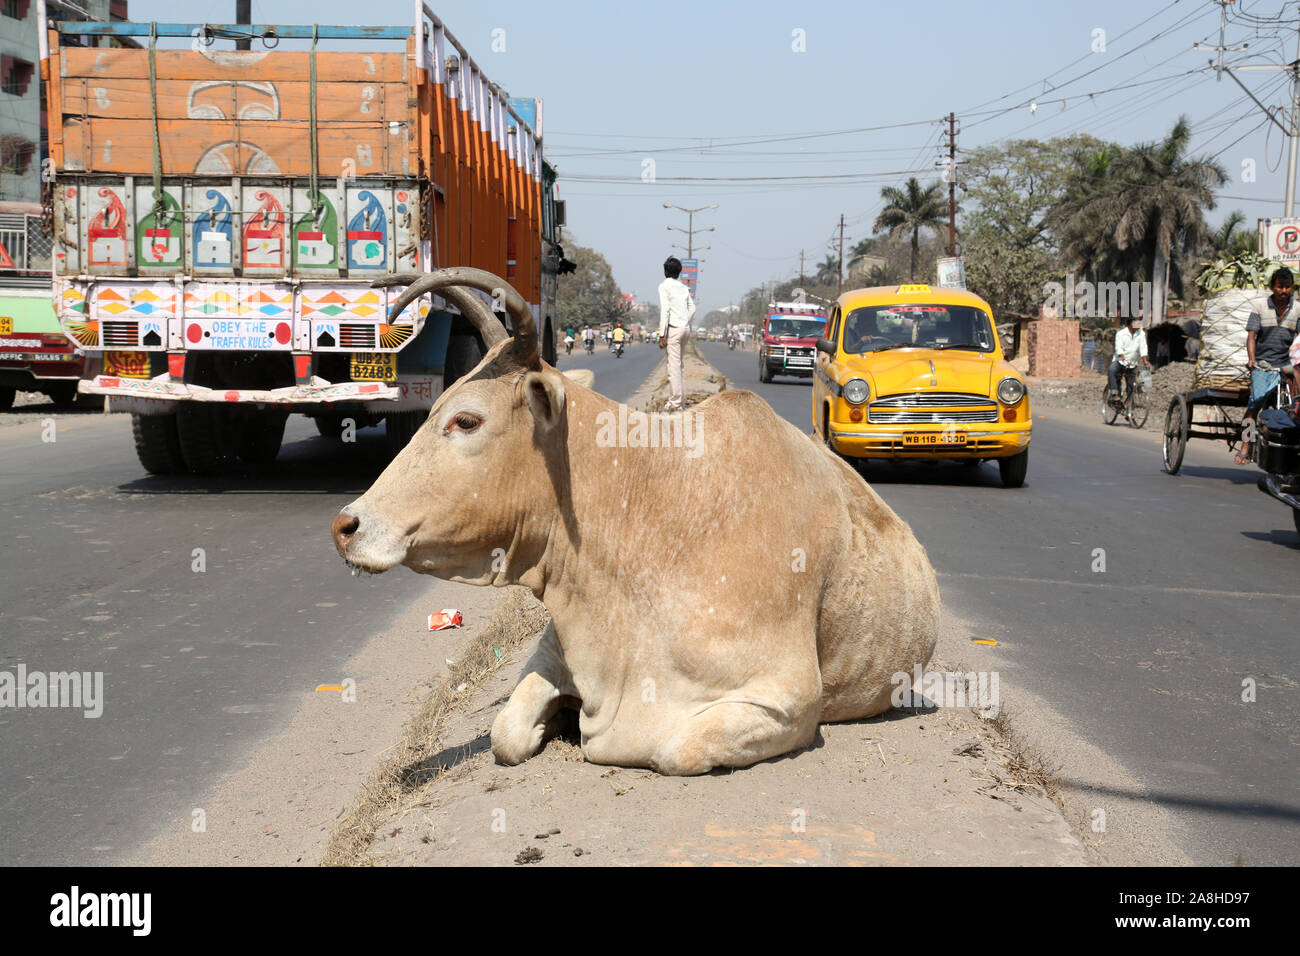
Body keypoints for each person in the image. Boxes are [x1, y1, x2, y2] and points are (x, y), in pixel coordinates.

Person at [1238, 266, 1298, 464]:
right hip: (1264, 364)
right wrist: (1252, 359)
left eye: (1287, 287)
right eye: (1280, 287)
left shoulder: (1297, 309)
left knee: (1295, 405)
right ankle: (1246, 443)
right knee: (1255, 404)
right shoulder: (1259, 307)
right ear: (1272, 287)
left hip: (1287, 363)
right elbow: (1252, 335)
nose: (1283, 291)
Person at [657, 257, 696, 411]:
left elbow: (665, 310)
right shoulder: (683, 287)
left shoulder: (664, 286)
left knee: (673, 366)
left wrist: (662, 334)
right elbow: (692, 308)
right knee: (679, 365)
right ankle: (680, 401)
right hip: (685, 329)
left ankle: (675, 402)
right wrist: (684, 321)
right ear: (679, 272)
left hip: (674, 329)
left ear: (665, 271)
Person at [1108, 315, 1150, 408]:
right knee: (1111, 370)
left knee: (1132, 386)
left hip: (1132, 363)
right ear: (1131, 323)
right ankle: (1114, 395)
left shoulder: (1141, 334)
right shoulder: (1121, 334)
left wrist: (1145, 360)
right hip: (1120, 362)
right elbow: (1118, 347)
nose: (1140, 323)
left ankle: (1130, 410)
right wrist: (1121, 355)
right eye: (1137, 321)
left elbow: (1143, 347)